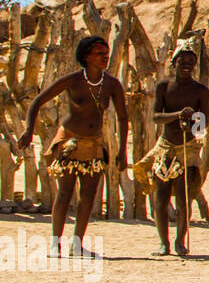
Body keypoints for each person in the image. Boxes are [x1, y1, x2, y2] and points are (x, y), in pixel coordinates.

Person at [17, 36, 127, 256]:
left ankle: (77, 244)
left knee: (88, 195)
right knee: (65, 192)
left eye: (106, 53)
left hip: (93, 144)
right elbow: (37, 101)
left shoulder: (112, 84)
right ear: (86, 57)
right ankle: (54, 243)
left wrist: (122, 151)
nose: (105, 57)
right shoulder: (73, 80)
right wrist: (29, 130)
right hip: (69, 142)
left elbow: (124, 118)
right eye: (99, 53)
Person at [138, 41, 209, 256]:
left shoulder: (201, 90)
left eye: (190, 62)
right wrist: (178, 115)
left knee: (183, 197)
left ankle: (180, 240)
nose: (186, 65)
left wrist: (191, 123)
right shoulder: (163, 87)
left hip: (186, 149)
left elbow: (203, 121)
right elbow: (155, 117)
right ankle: (163, 242)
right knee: (160, 197)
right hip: (166, 148)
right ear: (174, 62)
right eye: (182, 61)